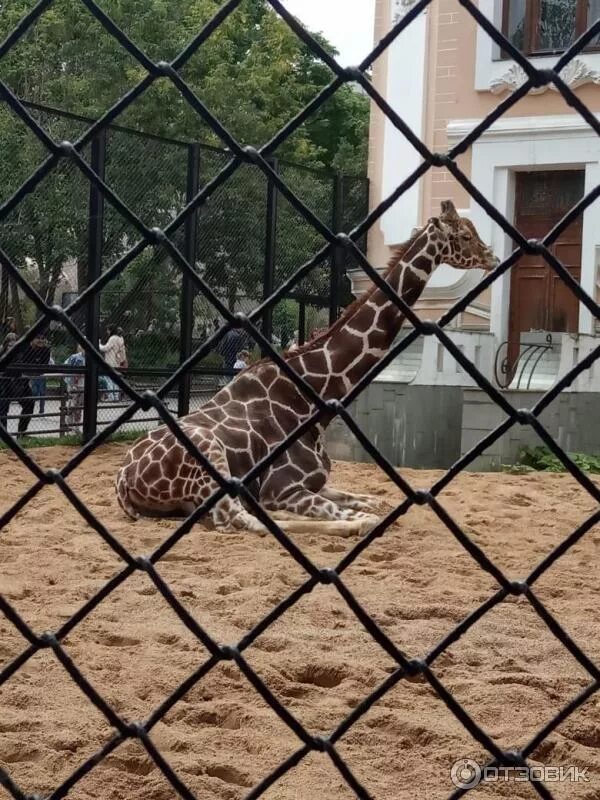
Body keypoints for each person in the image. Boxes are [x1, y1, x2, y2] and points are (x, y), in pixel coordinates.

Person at [99, 325, 127, 402]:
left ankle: (111, 397)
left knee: (109, 379)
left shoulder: (112, 338)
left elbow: (105, 348)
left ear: (111, 330)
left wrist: (98, 344)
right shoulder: (120, 338)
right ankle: (116, 397)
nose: (107, 332)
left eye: (108, 330)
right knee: (115, 380)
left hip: (110, 362)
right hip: (117, 362)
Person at [28, 335, 52, 415]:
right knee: (34, 392)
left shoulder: (46, 349)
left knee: (42, 392)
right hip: (33, 374)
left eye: (42, 338)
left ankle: (42, 410)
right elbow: (30, 361)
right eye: (38, 338)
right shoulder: (30, 348)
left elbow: (45, 362)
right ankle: (31, 408)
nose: (40, 340)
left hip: (42, 374)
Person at [64, 346, 85, 429]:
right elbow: (66, 366)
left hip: (83, 385)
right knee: (72, 404)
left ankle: (76, 425)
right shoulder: (74, 357)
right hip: (74, 385)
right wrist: (71, 383)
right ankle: (69, 423)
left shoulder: (92, 359)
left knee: (79, 406)